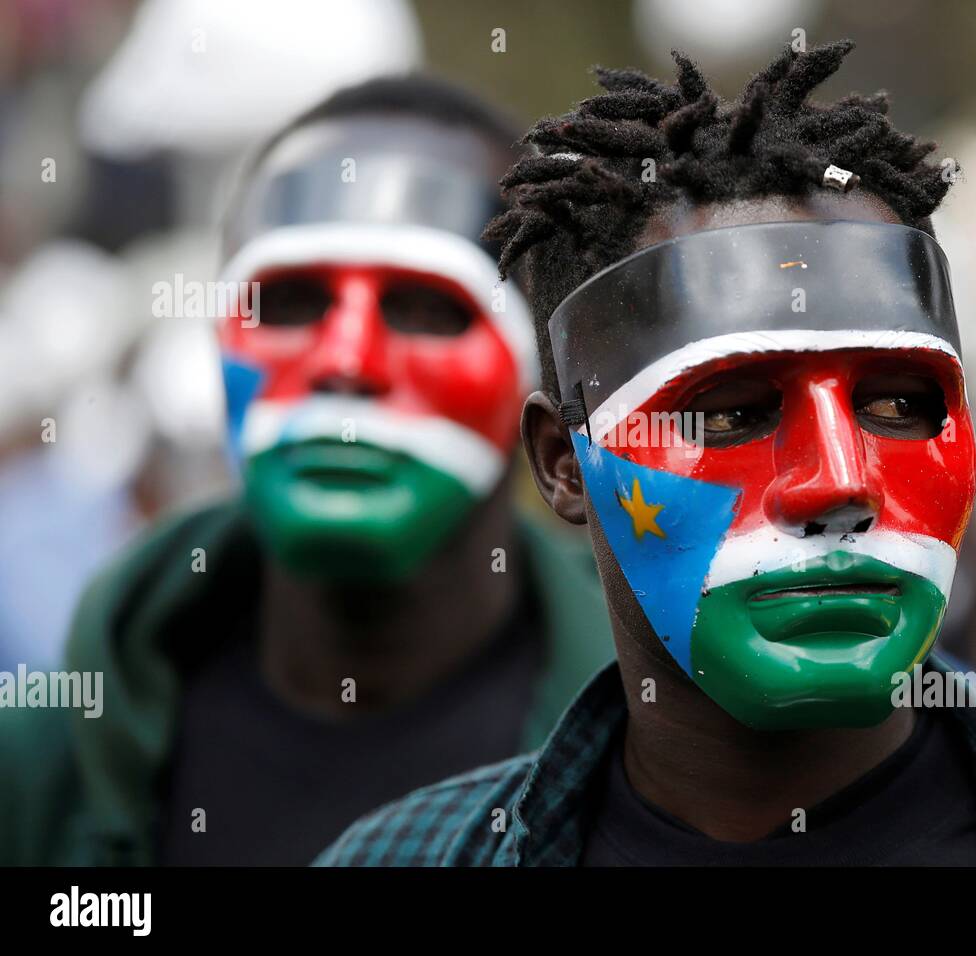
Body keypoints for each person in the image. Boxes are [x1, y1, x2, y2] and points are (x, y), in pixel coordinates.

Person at [318, 41, 976, 867]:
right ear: (564, 461)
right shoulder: (403, 858)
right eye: (732, 414)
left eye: (896, 405)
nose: (839, 481)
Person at [0, 75, 611, 866]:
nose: (345, 360)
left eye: (424, 307)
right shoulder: (41, 772)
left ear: (540, 380)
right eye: (289, 303)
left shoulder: (665, 747)